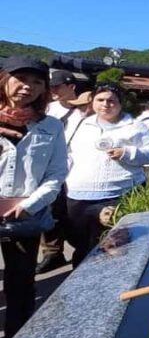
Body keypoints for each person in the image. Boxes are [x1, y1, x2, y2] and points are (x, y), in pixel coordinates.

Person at [0, 56, 68, 338]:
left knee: (21, 284)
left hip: (24, 217)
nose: (27, 87)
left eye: (36, 82)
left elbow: (56, 174)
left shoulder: (51, 126)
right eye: (21, 79)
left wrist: (29, 206)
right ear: (5, 81)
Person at [65, 83, 149, 265]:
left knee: (118, 247)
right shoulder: (80, 124)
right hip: (79, 196)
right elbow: (66, 152)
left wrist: (127, 153)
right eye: (100, 100)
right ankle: (80, 286)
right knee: (82, 245)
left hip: (120, 194)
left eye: (111, 100)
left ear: (120, 103)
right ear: (92, 102)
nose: (105, 104)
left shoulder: (135, 125)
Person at [37, 90, 94, 274]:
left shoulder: (100, 124)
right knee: (54, 214)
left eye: (85, 105)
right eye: (80, 106)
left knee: (73, 219)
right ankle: (54, 253)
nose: (82, 109)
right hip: (62, 174)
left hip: (84, 181)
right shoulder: (72, 120)